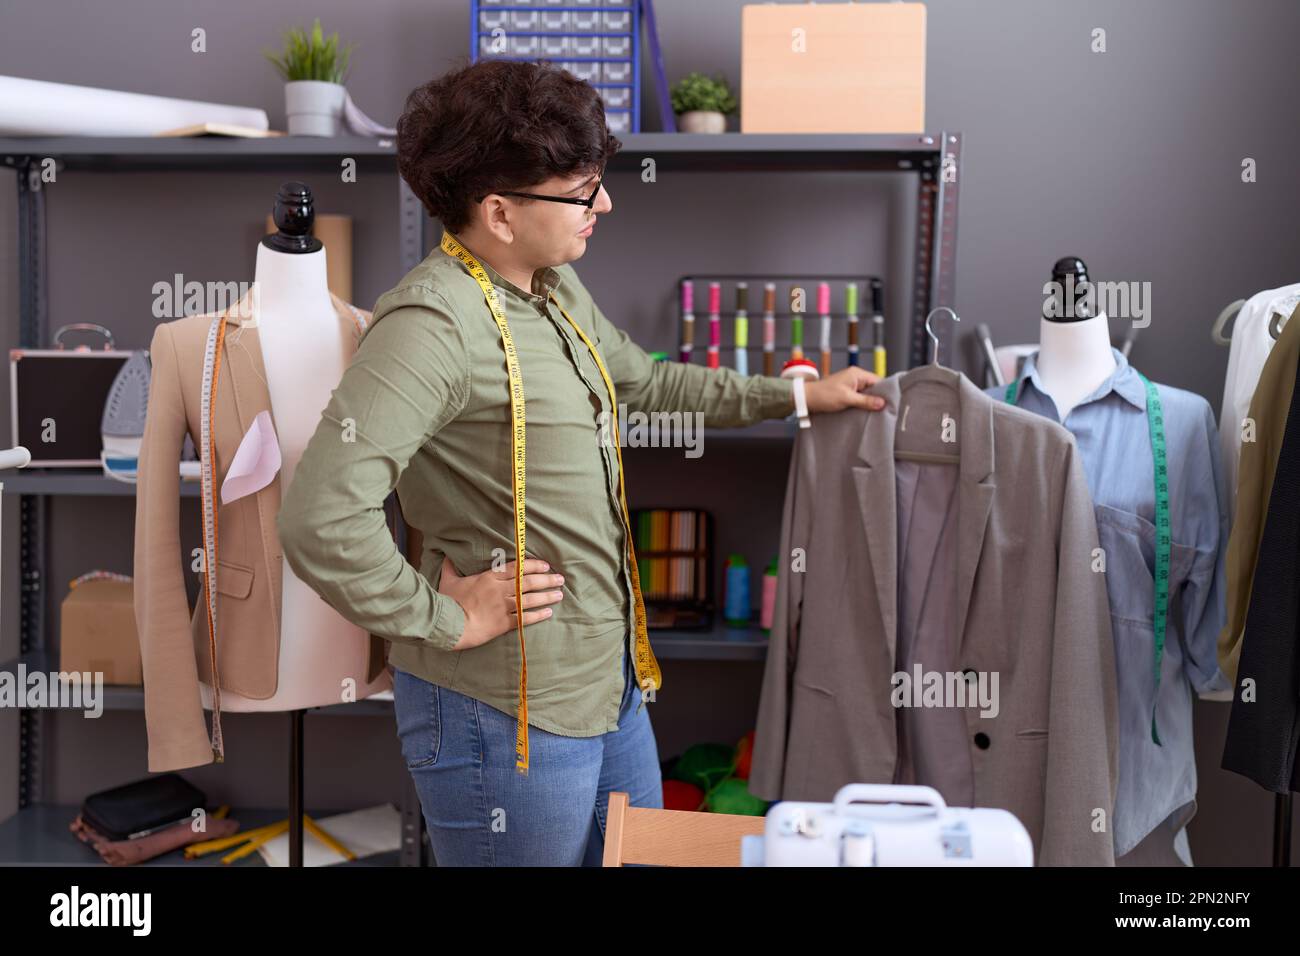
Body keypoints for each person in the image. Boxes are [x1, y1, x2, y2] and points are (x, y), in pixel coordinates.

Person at [277, 58, 884, 866]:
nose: (604, 202)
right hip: (503, 711)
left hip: (609, 685)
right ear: (498, 210)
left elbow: (643, 380)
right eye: (580, 188)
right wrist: (444, 617)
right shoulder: (431, 325)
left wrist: (798, 397)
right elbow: (320, 516)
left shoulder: (550, 288)